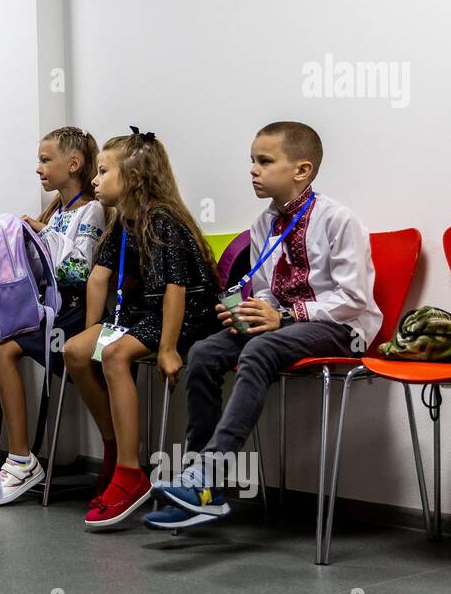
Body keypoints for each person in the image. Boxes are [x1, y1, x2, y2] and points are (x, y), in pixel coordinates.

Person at [145, 121, 379, 531]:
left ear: (301, 170)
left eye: (265, 161)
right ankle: (200, 488)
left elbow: (352, 299)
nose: (253, 169)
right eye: (252, 161)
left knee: (261, 349)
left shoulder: (340, 221)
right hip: (285, 327)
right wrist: (252, 311)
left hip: (342, 328)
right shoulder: (263, 224)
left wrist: (284, 317)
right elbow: (271, 291)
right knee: (203, 351)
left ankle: (208, 475)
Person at [62, 129, 222, 529]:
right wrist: (92, 332)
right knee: (76, 351)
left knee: (115, 355)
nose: (95, 180)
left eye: (103, 171)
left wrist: (168, 348)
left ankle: (131, 472)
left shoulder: (161, 218)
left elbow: (176, 288)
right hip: (144, 311)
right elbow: (99, 277)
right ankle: (115, 446)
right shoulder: (123, 220)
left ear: (132, 179)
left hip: (188, 315)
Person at [0, 126, 106, 505]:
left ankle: (21, 459)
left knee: (2, 350)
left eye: (45, 159)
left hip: (77, 312)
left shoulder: (93, 209)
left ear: (73, 164)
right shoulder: (57, 211)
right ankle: (1, 453)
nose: (38, 168)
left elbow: (77, 272)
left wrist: (41, 236)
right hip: (54, 306)